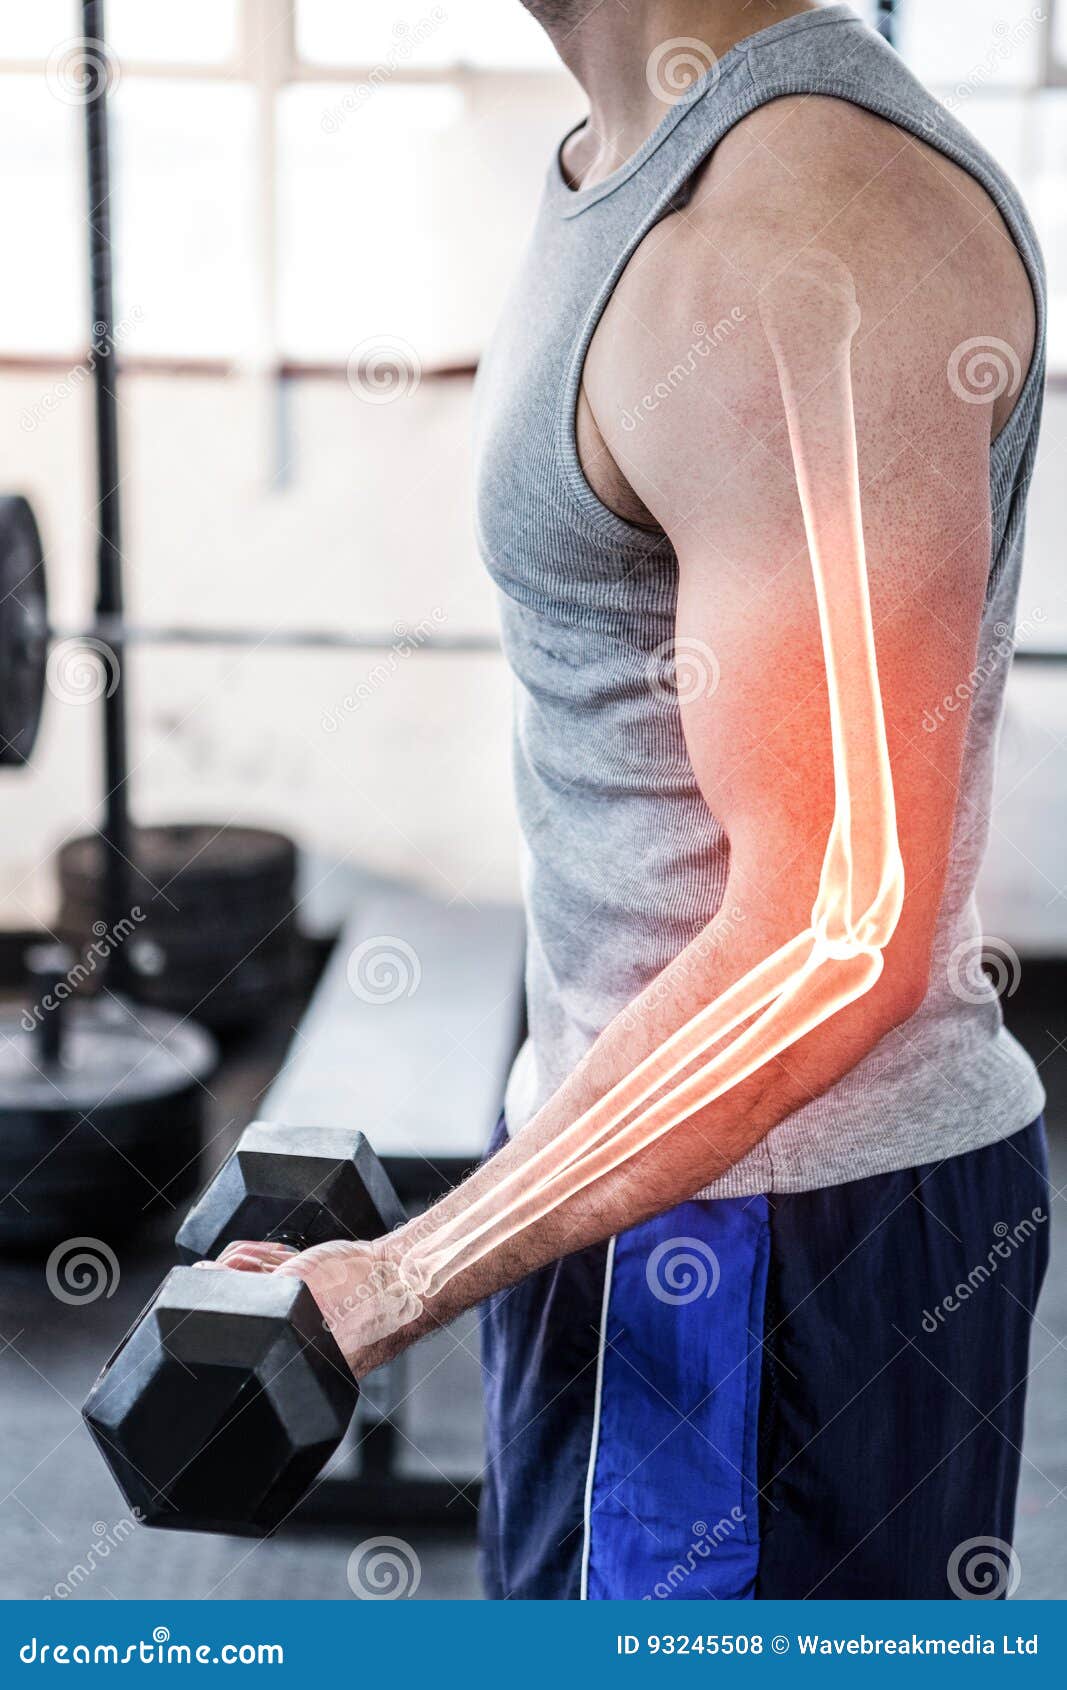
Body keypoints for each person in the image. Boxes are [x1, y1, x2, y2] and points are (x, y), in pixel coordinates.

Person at [216, 2, 1049, 1599]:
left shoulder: (798, 235)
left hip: (763, 1245)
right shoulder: (640, 166)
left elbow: (832, 928)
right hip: (653, 1190)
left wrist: (402, 1275)